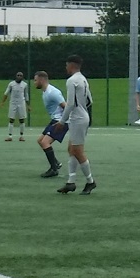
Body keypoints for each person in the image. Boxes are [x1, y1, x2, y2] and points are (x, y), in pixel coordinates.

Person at [57, 54, 96, 195]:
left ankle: (91, 182)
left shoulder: (71, 80)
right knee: (71, 149)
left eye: (67, 65)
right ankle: (71, 182)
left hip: (77, 119)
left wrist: (62, 121)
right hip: (81, 117)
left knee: (78, 151)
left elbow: (71, 103)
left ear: (71, 65)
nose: (66, 67)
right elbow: (90, 100)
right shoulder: (83, 79)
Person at [33, 70, 67, 178]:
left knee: (45, 143)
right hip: (55, 120)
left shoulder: (53, 92)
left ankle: (54, 169)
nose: (34, 83)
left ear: (42, 80)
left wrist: (63, 122)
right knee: (40, 141)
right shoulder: (45, 91)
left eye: (35, 80)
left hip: (60, 121)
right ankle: (56, 163)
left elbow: (66, 106)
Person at [2, 71, 31, 142]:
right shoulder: (11, 84)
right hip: (13, 103)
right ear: (16, 76)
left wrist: (28, 105)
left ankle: (21, 136)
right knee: (11, 119)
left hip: (21, 103)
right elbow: (6, 93)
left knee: (22, 119)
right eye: (18, 75)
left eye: (20, 76)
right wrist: (2, 102)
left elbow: (26, 95)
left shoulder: (24, 85)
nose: (19, 77)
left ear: (22, 77)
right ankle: (10, 136)